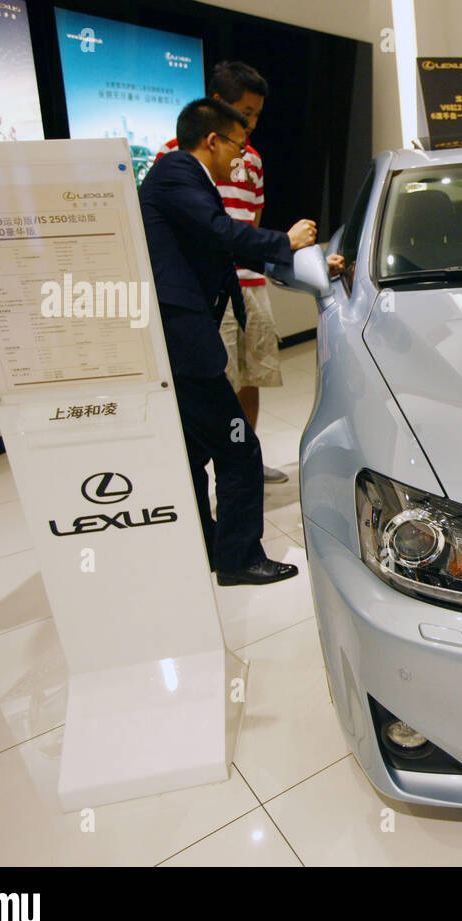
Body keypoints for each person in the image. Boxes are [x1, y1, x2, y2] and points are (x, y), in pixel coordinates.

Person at [140, 97, 316, 585]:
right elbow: (220, 233)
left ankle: (207, 543)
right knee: (239, 448)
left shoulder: (186, 178)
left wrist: (292, 260)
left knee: (194, 451)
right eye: (238, 145)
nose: (241, 157)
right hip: (184, 339)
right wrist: (286, 241)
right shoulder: (177, 170)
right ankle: (239, 557)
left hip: (183, 337)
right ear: (212, 140)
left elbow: (216, 246)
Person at [155, 62, 290, 483]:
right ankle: (222, 466)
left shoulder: (252, 159)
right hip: (213, 287)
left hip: (250, 281)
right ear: (219, 108)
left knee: (251, 373)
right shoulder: (175, 157)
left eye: (256, 115)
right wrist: (285, 243)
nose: (250, 124)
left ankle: (244, 457)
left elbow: (251, 217)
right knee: (220, 376)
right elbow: (212, 228)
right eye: (245, 113)